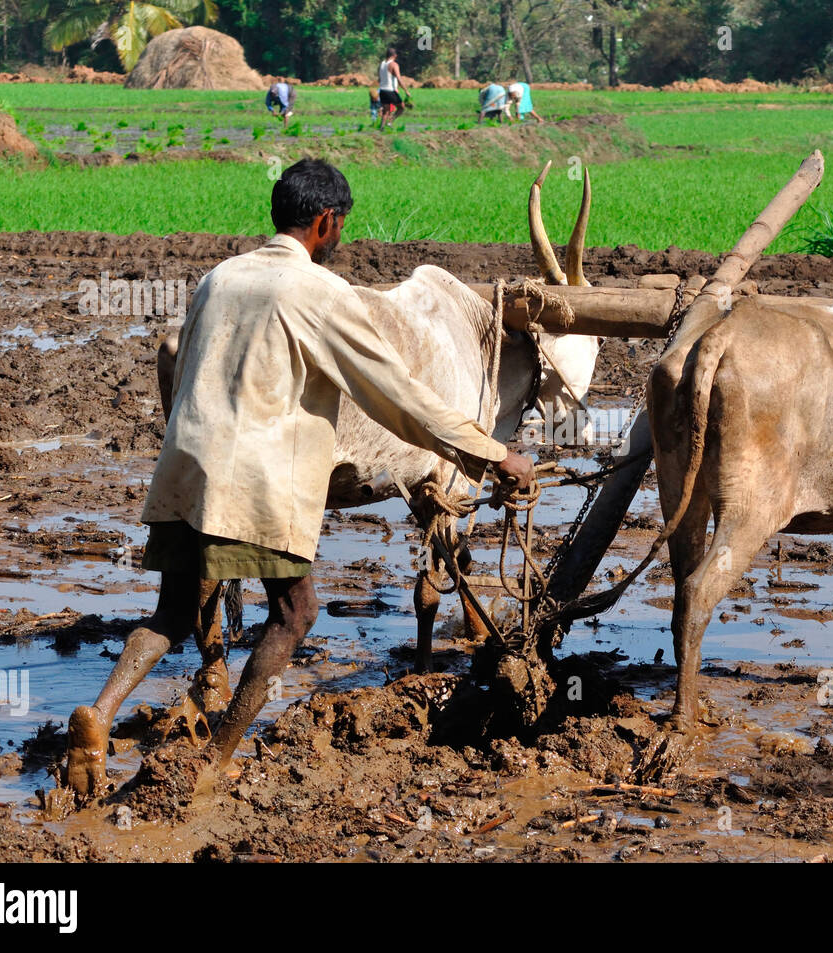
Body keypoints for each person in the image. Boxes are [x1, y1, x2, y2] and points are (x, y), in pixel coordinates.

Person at [64, 159, 534, 799]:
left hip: (185, 472)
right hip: (257, 481)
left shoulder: (218, 278)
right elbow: (395, 392)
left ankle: (101, 710)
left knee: (172, 610)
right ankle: (220, 756)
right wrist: (490, 452)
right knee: (295, 613)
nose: (338, 235)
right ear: (325, 221)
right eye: (339, 226)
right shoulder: (319, 291)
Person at [377, 47, 408, 130]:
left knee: (385, 111)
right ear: (394, 55)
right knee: (401, 107)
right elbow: (399, 78)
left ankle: (382, 127)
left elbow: (379, 78)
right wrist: (406, 91)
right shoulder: (394, 64)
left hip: (382, 91)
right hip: (390, 91)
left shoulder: (382, 64)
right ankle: (390, 122)